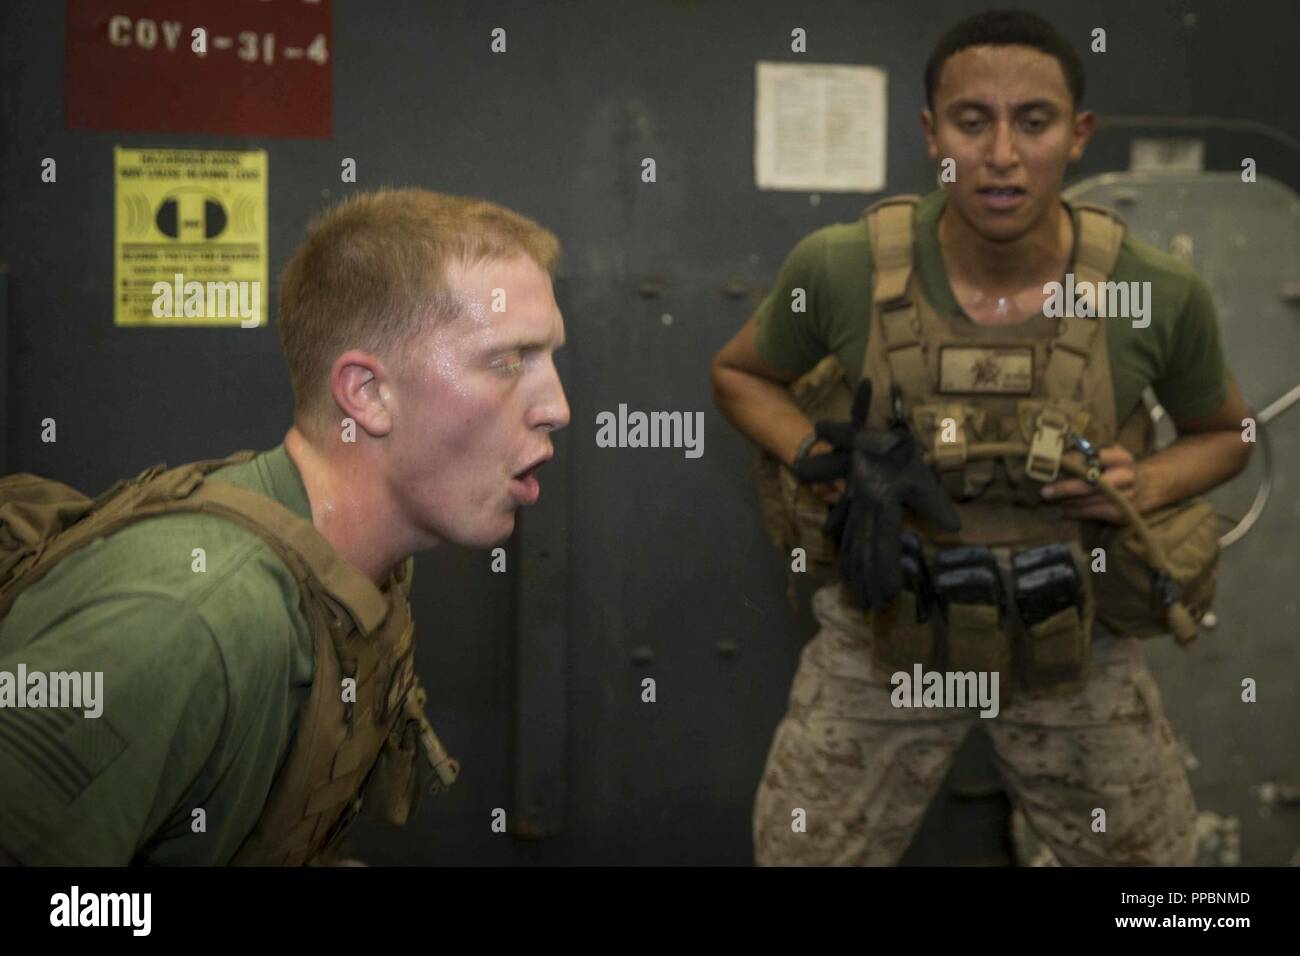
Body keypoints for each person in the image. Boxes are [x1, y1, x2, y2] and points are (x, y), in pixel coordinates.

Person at [711, 9, 1252, 865]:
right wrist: (819, 457)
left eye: (1032, 122)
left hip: (1072, 640)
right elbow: (741, 374)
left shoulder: (1152, 289)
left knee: (1156, 886)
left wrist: (1141, 484)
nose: (1002, 153)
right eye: (973, 120)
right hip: (890, 622)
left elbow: (1230, 435)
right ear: (933, 134)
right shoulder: (844, 266)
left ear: (1077, 136)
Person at [0, 188, 570, 864]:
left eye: (550, 359)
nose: (557, 406)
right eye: (507, 361)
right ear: (367, 393)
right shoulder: (188, 622)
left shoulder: (353, 574)